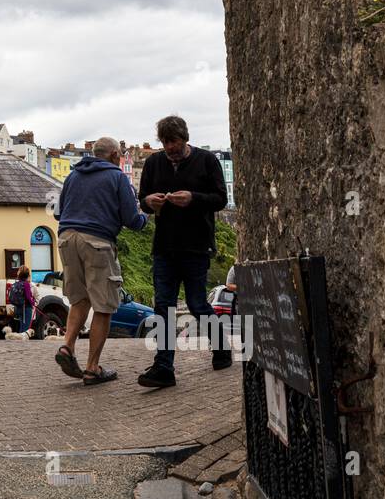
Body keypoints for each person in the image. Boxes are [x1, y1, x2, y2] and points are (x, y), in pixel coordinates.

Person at [136, 116, 230, 389]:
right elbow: (143, 201)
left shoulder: (206, 161)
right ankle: (164, 367)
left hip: (196, 246)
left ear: (184, 138)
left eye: (173, 142)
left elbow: (220, 199)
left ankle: (221, 348)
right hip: (164, 247)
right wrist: (148, 202)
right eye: (165, 143)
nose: (169, 148)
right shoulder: (154, 163)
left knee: (197, 304)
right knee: (163, 306)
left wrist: (193, 198)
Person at [52, 136, 147, 385]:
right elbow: (131, 218)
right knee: (104, 306)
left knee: (79, 299)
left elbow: (58, 212)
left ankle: (67, 347)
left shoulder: (73, 176)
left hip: (65, 238)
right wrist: (146, 216)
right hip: (96, 240)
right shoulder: (116, 177)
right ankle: (92, 368)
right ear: (115, 155)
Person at [12, 265, 36, 335]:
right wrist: (33, 303)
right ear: (28, 275)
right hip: (26, 308)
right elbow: (28, 297)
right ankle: (24, 343)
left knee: (21, 326)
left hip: (19, 307)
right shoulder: (26, 284)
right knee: (26, 329)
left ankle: (20, 342)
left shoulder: (17, 283)